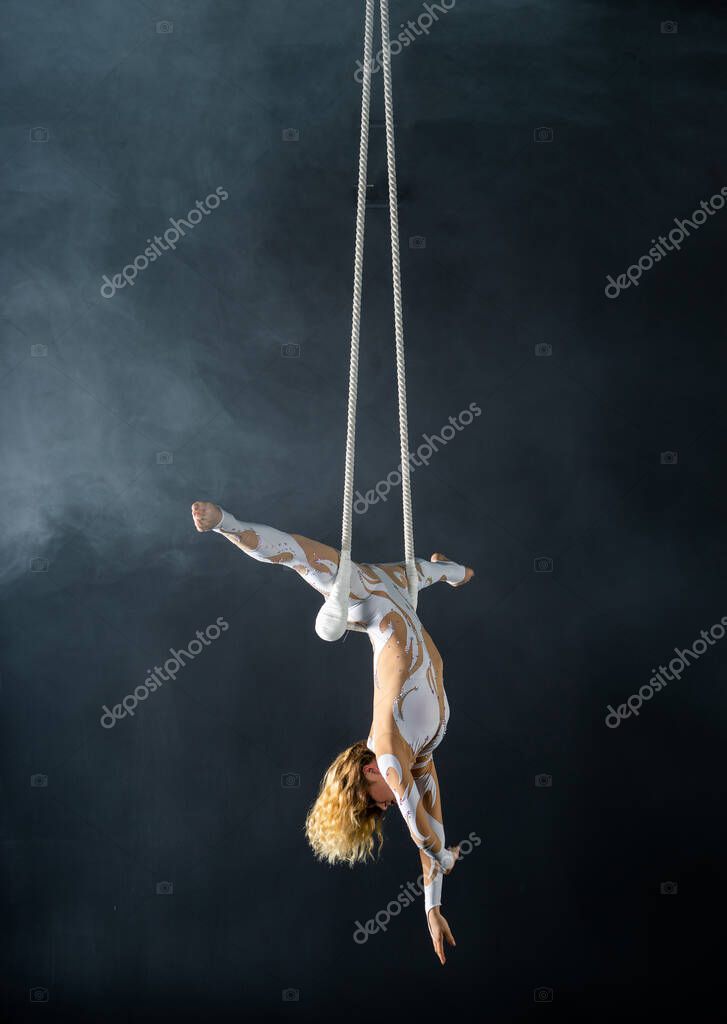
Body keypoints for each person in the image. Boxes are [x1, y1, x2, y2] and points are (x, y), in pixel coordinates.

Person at [191, 500, 474, 964]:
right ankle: (439, 569)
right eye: (381, 809)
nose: (385, 805)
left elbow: (418, 827)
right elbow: (432, 821)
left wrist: (441, 856)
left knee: (300, 557)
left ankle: (227, 525)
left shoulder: (386, 749)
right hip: (400, 585)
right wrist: (432, 906)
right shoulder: (418, 754)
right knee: (457, 574)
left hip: (367, 596)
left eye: (374, 801)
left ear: (366, 771)